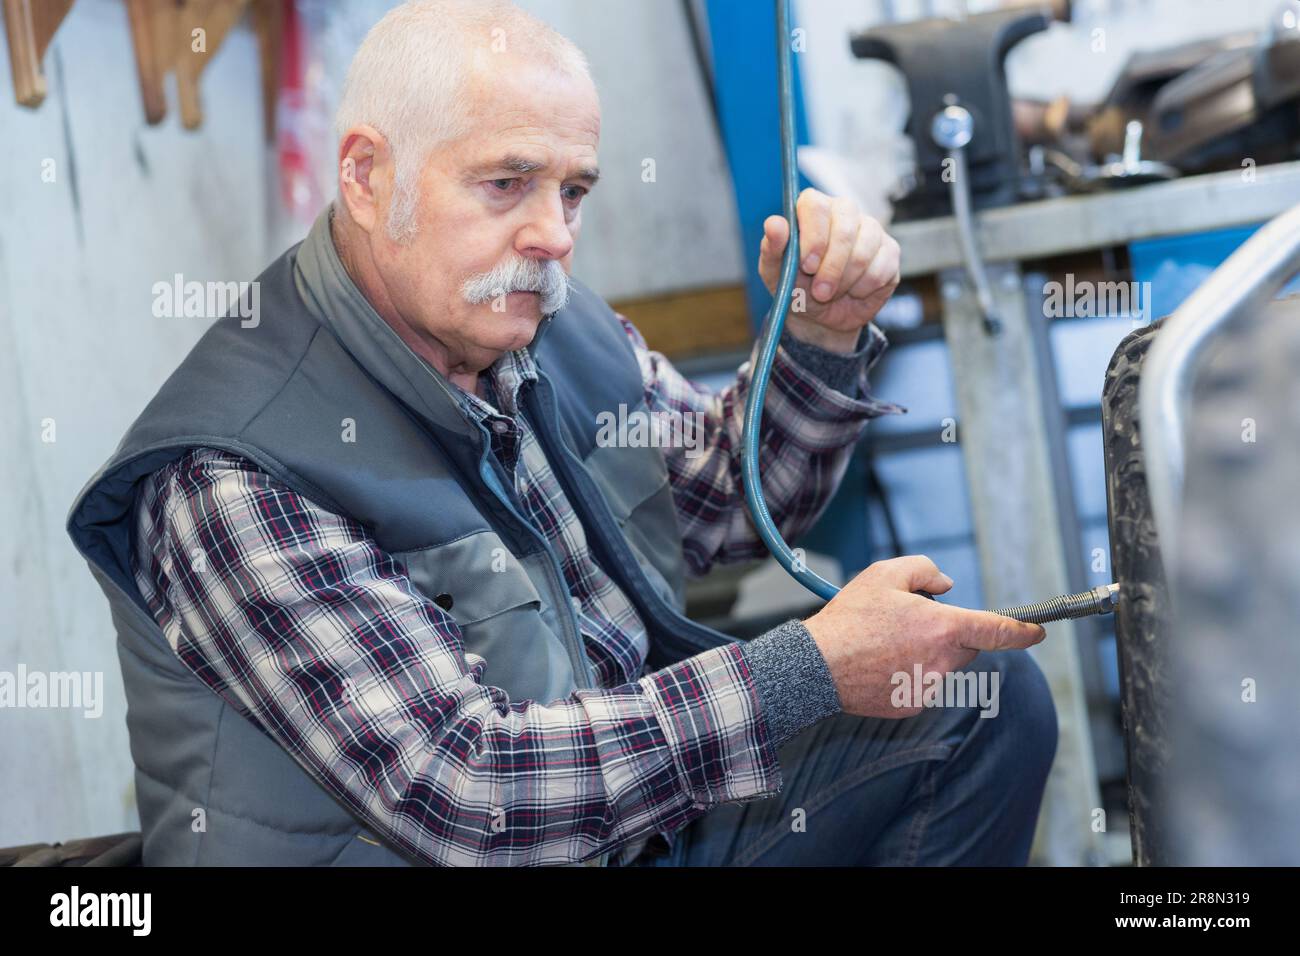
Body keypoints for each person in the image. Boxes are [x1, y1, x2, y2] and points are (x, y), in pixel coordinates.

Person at [66, 0, 1055, 866]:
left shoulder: (543, 321)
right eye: (505, 183)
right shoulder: (239, 470)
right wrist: (808, 668)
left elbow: (716, 503)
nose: (554, 233)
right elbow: (472, 798)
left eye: (572, 190)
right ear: (367, 178)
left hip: (615, 831)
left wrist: (820, 332)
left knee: (976, 696)